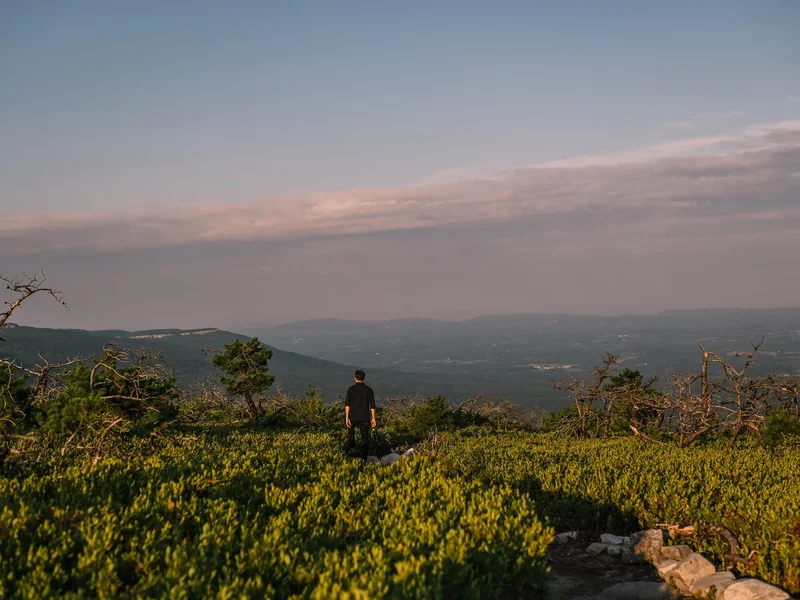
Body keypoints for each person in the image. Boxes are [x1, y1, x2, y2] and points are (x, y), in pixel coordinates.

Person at [345, 369, 376, 460]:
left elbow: (347, 405)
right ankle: (364, 458)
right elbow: (372, 405)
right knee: (364, 439)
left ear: (355, 378)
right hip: (365, 417)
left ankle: (350, 453)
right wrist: (373, 418)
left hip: (352, 417)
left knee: (351, 436)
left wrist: (347, 418)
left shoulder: (350, 389)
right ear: (364, 378)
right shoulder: (369, 390)